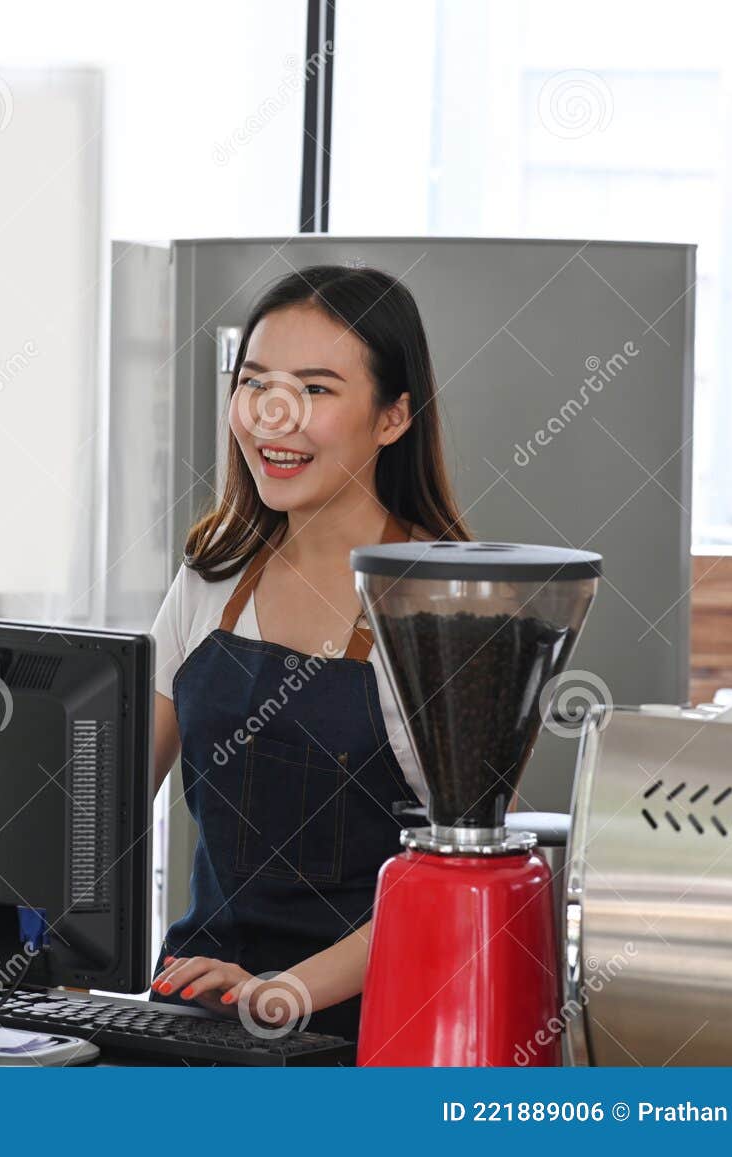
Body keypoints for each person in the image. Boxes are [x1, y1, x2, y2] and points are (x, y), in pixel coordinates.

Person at [145, 264, 471, 1040]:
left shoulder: (445, 607)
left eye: (317, 390)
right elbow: (106, 803)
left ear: (393, 418)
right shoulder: (208, 583)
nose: (274, 416)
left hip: (370, 1024)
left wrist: (283, 990)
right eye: (256, 383)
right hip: (203, 1007)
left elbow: (463, 877)